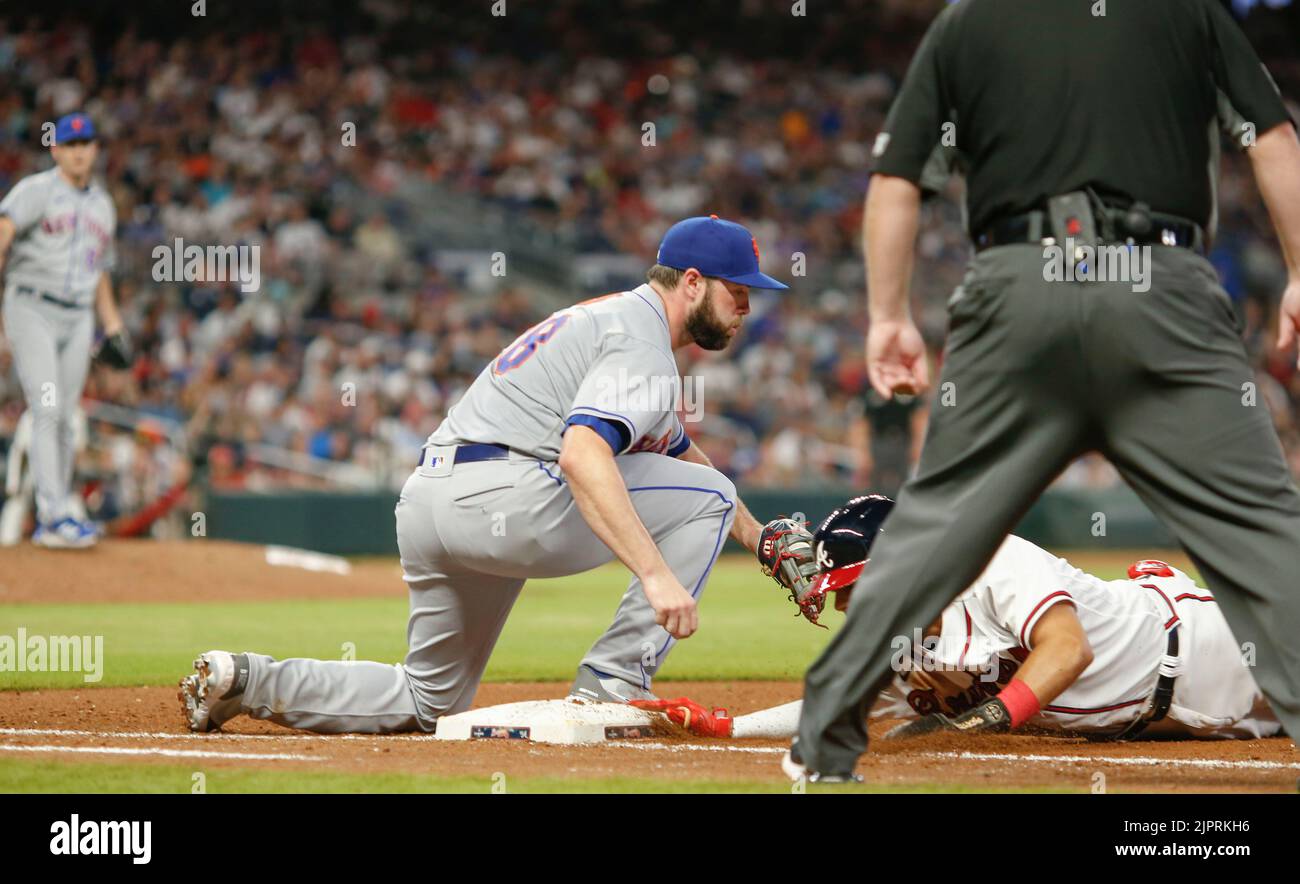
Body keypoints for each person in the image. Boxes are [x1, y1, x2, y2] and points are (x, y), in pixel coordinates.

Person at [793, 0, 1300, 781]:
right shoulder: (1187, 14)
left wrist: (888, 315)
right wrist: (1299, 270)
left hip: (1017, 280)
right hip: (1157, 279)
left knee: (933, 521)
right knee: (1261, 531)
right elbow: (1271, 137)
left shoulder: (967, 21)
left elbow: (896, 178)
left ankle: (824, 748)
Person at [178, 215, 814, 734]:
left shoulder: (614, 320)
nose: (747, 307)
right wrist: (656, 576)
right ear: (694, 283)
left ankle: (249, 680)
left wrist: (756, 537)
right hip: (506, 498)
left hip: (431, 502)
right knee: (709, 494)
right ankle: (613, 685)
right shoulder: (642, 347)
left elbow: (676, 454)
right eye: (739, 291)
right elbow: (585, 454)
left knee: (431, 700)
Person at [633, 495, 1280, 745]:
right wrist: (729, 728)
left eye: (853, 589)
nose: (846, 607)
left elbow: (1066, 649)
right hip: (1160, 721)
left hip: (1219, 648)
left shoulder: (993, 559)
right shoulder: (901, 636)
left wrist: (986, 719)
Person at [0, 112, 129, 548]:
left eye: (85, 143)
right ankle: (53, 514)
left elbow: (101, 273)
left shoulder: (103, 206)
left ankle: (59, 506)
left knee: (65, 418)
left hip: (79, 318)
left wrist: (113, 326)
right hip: (31, 307)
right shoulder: (36, 191)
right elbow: (3, 231)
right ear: (55, 149)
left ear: (94, 149)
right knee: (49, 407)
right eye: (70, 144)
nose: (78, 152)